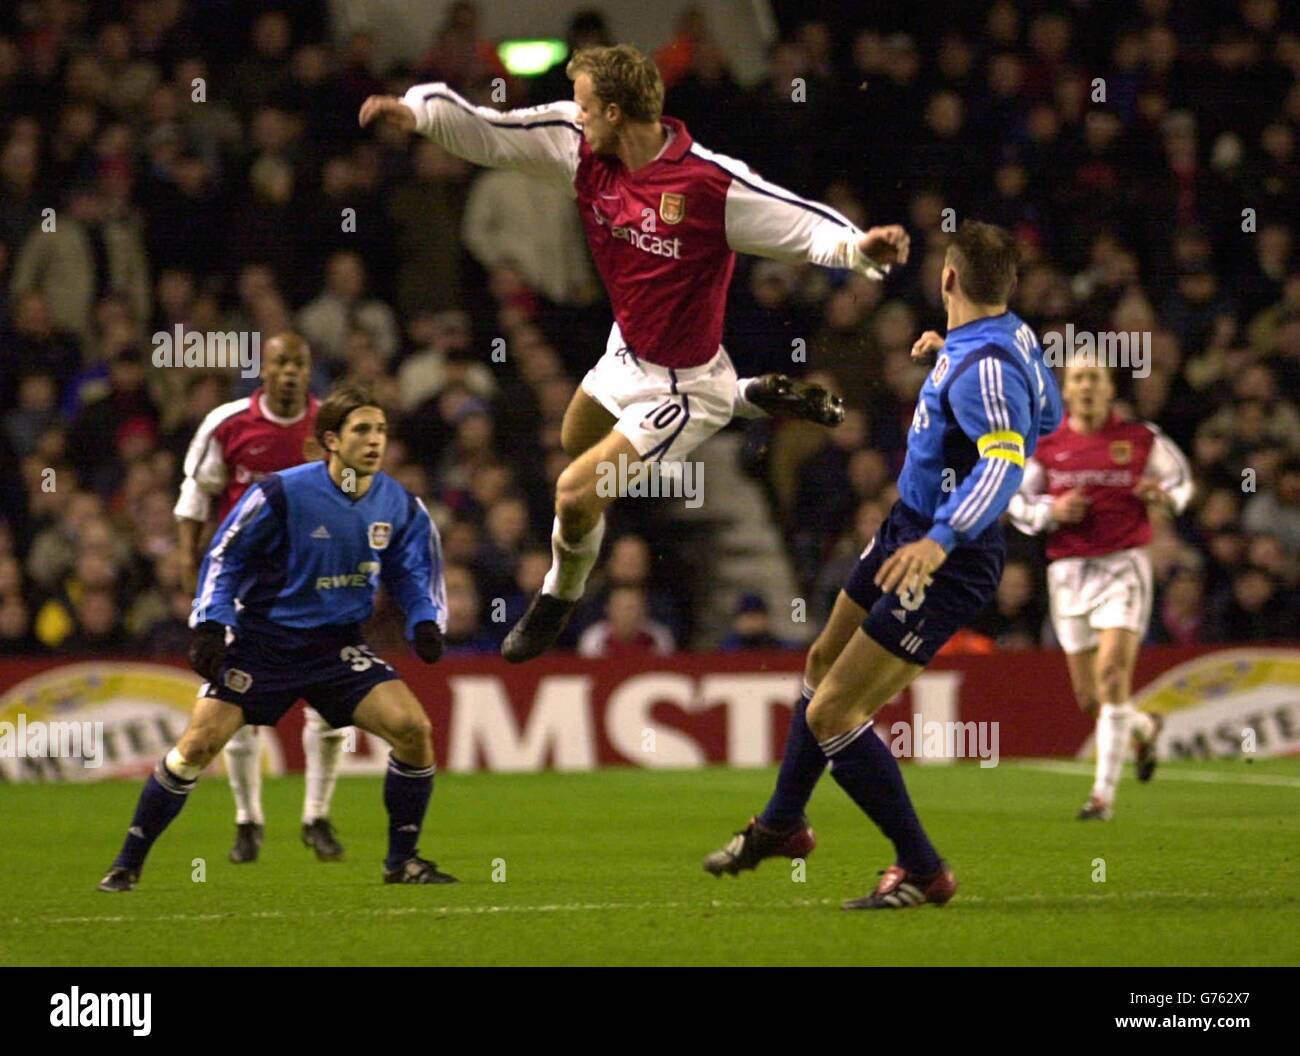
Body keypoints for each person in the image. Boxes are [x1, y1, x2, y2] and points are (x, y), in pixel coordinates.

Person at [359, 43, 910, 663]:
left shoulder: (706, 184)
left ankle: (556, 598)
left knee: (574, 492)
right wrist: (419, 112)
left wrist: (861, 250)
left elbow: (799, 223)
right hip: (627, 352)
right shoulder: (578, 145)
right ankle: (750, 395)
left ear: (617, 112)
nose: (577, 113)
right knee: (575, 437)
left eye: (588, 105)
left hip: (681, 388)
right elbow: (495, 134)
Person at [703, 220, 1062, 909]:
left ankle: (924, 871)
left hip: (943, 554)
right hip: (906, 526)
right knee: (819, 666)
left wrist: (943, 539)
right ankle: (783, 823)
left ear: (947, 278)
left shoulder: (987, 364)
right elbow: (1047, 413)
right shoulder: (1005, 338)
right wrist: (951, 353)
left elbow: (1009, 456)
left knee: (834, 712)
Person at [99, 384, 451, 891]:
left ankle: (403, 861)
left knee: (414, 731)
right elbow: (226, 556)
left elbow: (411, 570)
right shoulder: (281, 493)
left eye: (380, 430)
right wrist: (211, 622)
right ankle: (127, 863)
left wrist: (423, 619)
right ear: (331, 440)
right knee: (197, 745)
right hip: (264, 642)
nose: (375, 441)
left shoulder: (398, 503)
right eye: (362, 431)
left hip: (336, 646)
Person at [174, 332, 350, 864]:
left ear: (309, 367)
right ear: (265, 370)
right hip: (244, 585)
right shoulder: (228, 423)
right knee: (237, 701)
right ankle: (248, 819)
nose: (290, 372)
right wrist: (189, 565)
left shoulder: (330, 428)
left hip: (317, 583)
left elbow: (354, 498)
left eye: (299, 363)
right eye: (280, 363)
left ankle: (316, 815)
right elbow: (195, 496)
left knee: (331, 708)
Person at [1011, 361, 1193, 818]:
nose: (1087, 386)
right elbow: (1015, 501)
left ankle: (1102, 797)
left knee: (1114, 676)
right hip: (1069, 573)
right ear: (1066, 391)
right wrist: (1052, 509)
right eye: (1078, 379)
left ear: (1110, 388)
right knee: (1089, 698)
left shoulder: (1140, 438)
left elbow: (1182, 482)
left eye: (1096, 378)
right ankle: (1145, 727)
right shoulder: (1048, 448)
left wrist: (1165, 498)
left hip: (1122, 567)